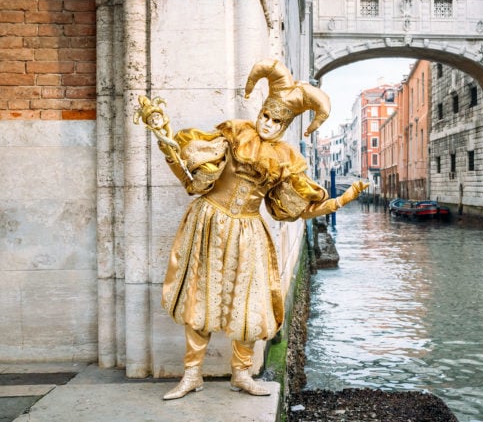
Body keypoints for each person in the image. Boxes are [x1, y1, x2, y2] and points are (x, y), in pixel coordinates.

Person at [136, 59, 367, 400]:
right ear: (259, 112)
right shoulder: (233, 136)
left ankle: (242, 373)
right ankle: (192, 374)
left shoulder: (284, 160)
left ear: (286, 124)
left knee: (248, 305)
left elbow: (296, 208)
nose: (269, 124)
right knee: (200, 299)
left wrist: (340, 201)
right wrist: (165, 142)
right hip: (208, 224)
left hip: (248, 234)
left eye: (278, 121)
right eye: (266, 116)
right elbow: (192, 179)